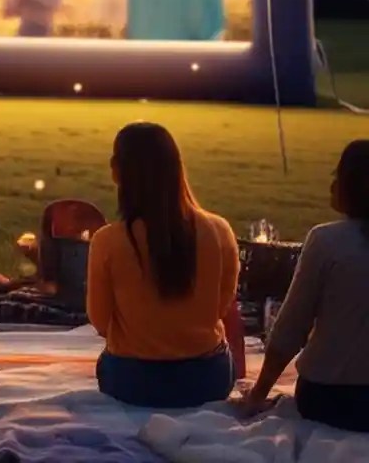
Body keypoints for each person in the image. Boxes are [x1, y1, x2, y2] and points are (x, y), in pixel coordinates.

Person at [87, 122, 239, 408]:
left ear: (116, 171)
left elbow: (100, 322)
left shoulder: (107, 241)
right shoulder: (220, 230)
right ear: (177, 168)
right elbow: (221, 306)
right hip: (208, 379)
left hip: (132, 382)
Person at [236, 140, 369, 432]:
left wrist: (258, 394)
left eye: (337, 176)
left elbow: (290, 330)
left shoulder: (327, 242)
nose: (332, 186)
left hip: (329, 399)